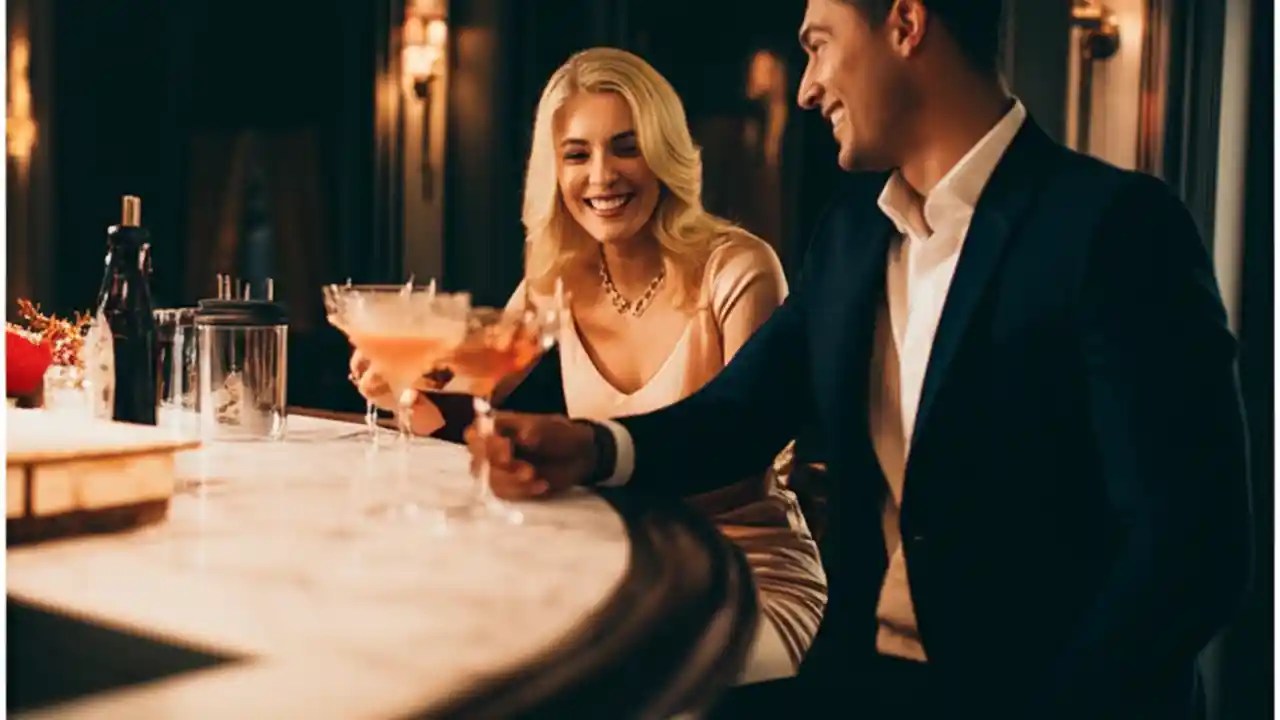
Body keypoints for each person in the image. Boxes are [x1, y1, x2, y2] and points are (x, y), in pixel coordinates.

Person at [463, 1, 1252, 718]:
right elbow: (741, 413)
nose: (806, 89)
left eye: (819, 46)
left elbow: (1190, 554)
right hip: (866, 684)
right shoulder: (853, 235)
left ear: (906, 24)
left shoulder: (1113, 227)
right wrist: (596, 447)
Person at [351, 47, 827, 686]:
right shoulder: (556, 280)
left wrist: (588, 463)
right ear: (554, 171)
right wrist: (402, 385)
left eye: (626, 147)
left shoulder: (737, 267)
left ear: (665, 154)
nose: (602, 176)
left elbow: (742, 458)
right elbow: (462, 400)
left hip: (743, 571)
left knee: (602, 679)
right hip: (614, 562)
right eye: (577, 154)